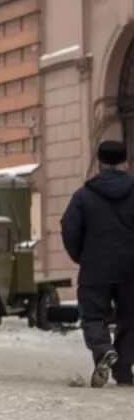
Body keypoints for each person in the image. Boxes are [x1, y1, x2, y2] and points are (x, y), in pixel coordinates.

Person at [61, 139, 134, 387]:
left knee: (93, 316)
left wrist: (82, 256)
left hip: (95, 268)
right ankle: (124, 372)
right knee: (130, 319)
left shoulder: (84, 195)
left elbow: (69, 228)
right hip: (131, 270)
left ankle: (103, 350)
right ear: (126, 163)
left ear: (99, 164)